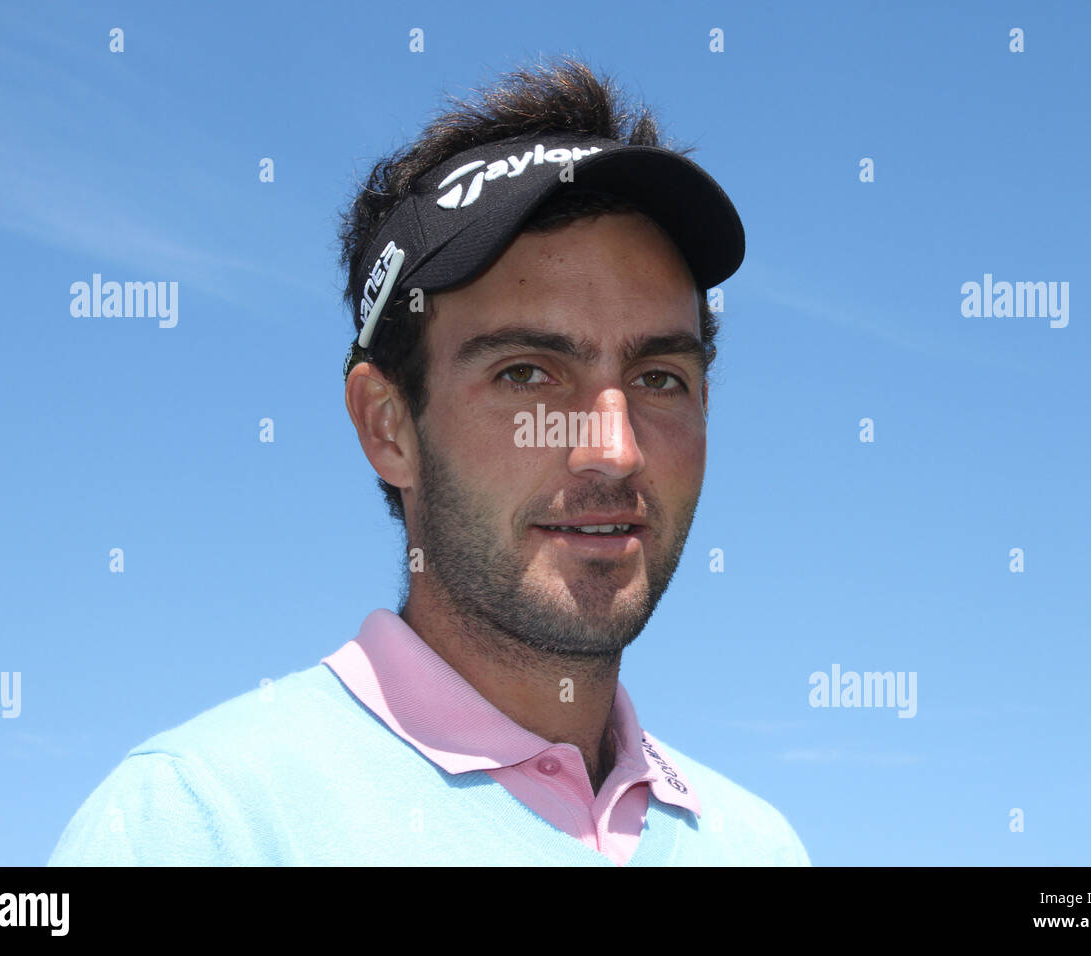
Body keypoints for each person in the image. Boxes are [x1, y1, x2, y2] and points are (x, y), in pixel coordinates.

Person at [48, 56, 810, 866]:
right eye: (527, 375)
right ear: (388, 427)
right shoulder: (196, 823)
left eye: (660, 379)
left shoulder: (756, 844)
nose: (613, 452)